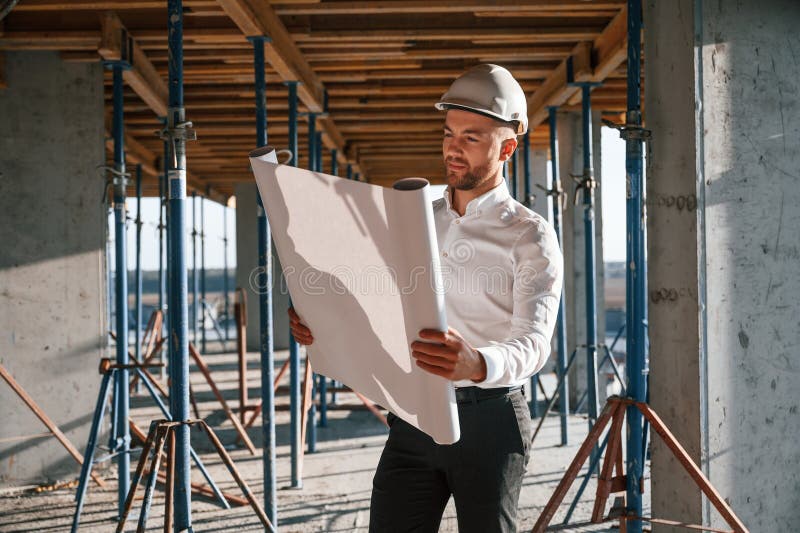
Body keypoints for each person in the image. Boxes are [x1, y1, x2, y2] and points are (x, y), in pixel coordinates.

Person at [288, 64, 563, 533]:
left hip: (491, 421)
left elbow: (536, 344)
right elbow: (376, 306)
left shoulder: (528, 235)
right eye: (449, 133)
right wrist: (321, 319)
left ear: (508, 147)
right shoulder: (414, 221)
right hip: (414, 417)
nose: (454, 147)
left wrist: (477, 363)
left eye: (472, 137)